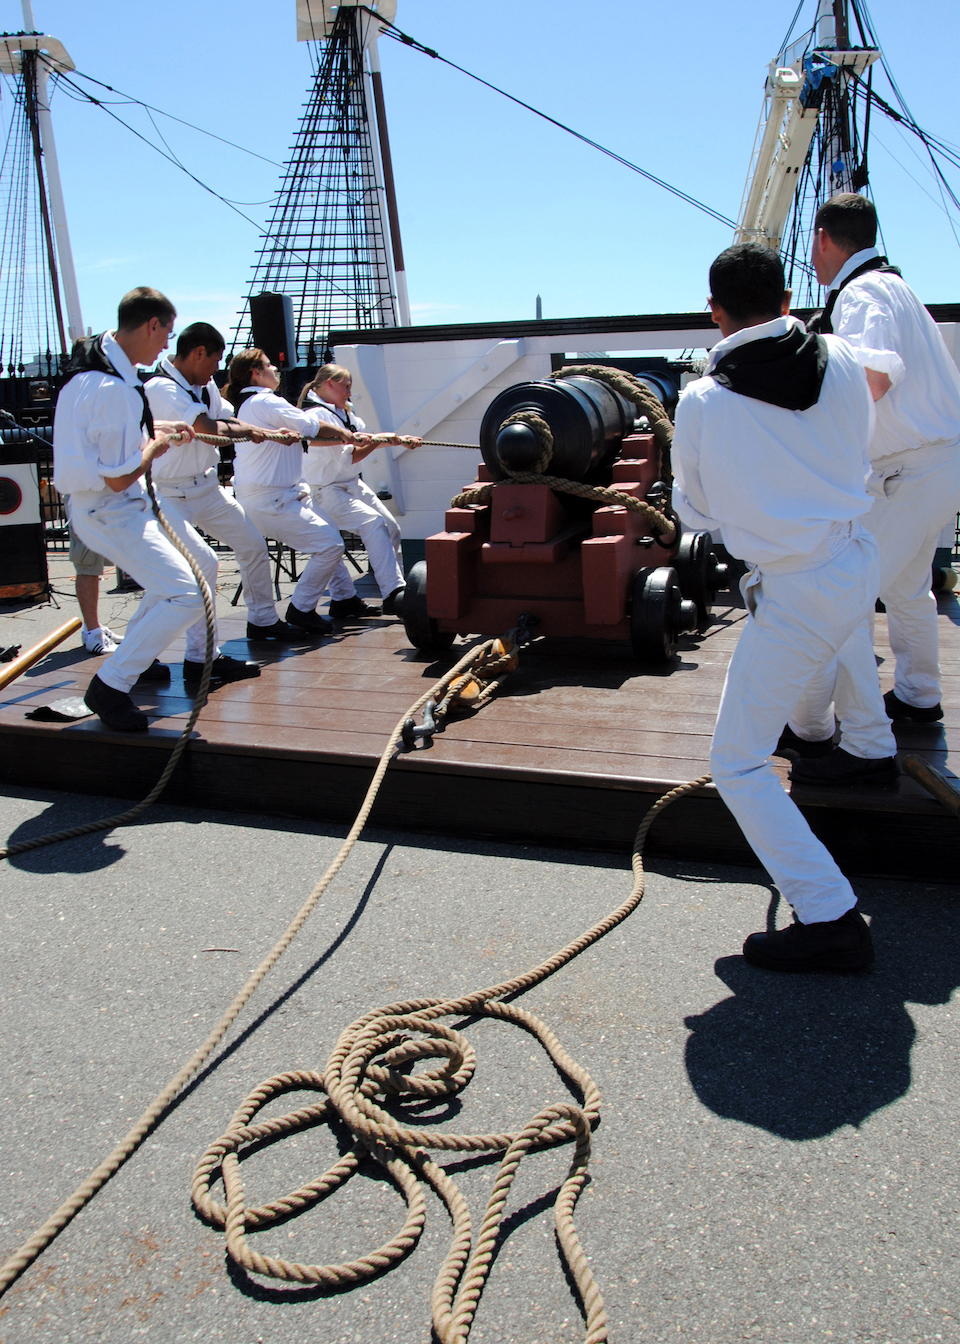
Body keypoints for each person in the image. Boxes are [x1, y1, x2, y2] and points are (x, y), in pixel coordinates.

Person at [672, 242, 896, 973]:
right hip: (855, 561)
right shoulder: (837, 356)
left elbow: (696, 512)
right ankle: (832, 740)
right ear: (788, 298)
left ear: (716, 311)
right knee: (833, 648)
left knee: (735, 764)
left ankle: (829, 914)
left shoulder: (704, 399)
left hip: (794, 586)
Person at [786, 194, 960, 775]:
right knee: (909, 588)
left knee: (847, 600)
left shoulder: (860, 294)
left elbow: (873, 376)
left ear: (822, 240)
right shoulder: (897, 287)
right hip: (940, 463)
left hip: (909, 468)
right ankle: (917, 698)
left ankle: (866, 747)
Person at [53, 287, 216, 733]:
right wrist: (159, 444)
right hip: (112, 509)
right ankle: (110, 684)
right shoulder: (112, 389)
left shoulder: (98, 376)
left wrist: (157, 427)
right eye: (167, 333)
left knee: (201, 562)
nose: (167, 344)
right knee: (184, 592)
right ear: (152, 325)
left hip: (123, 504)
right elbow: (118, 477)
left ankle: (140, 660)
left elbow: (107, 438)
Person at [144, 323, 304, 676]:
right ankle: (200, 659)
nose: (218, 368)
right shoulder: (161, 388)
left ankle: (262, 620)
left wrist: (267, 433)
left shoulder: (203, 386)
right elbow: (207, 428)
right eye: (215, 359)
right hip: (167, 492)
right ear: (199, 353)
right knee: (200, 564)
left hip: (204, 488)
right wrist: (253, 431)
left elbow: (222, 418)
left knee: (251, 543)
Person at [221, 348, 368, 636]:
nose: (276, 369)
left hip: (277, 495)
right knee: (329, 545)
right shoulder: (264, 401)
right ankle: (301, 609)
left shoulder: (251, 405)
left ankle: (341, 598)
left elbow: (300, 433)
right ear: (255, 372)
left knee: (327, 539)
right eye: (269, 366)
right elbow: (309, 425)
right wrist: (342, 432)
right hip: (272, 499)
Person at [298, 365, 421, 617]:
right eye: (346, 387)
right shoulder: (314, 416)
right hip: (325, 489)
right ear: (330, 384)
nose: (349, 393)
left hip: (349, 483)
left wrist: (388, 439)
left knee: (389, 528)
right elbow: (349, 453)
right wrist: (381, 439)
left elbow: (355, 451)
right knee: (373, 523)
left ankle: (348, 600)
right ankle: (393, 593)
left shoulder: (345, 415)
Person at [68, 531, 122, 654]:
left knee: (94, 564)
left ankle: (92, 627)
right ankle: (93, 635)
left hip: (97, 514)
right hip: (87, 514)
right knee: (87, 565)